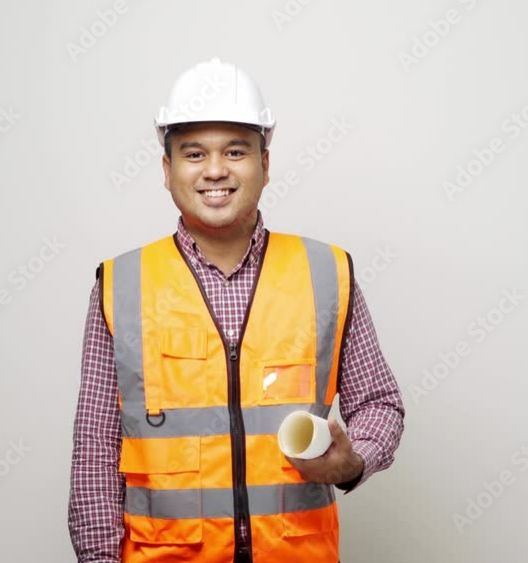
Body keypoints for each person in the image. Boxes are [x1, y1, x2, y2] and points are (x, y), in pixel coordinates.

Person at [67, 57, 405, 563]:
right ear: (167, 169)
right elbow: (96, 447)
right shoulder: (122, 285)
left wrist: (352, 461)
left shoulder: (325, 272)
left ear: (265, 165)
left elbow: (380, 403)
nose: (216, 170)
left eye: (236, 150)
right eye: (194, 152)